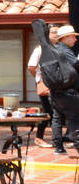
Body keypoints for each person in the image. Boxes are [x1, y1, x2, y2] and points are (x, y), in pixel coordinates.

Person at [31, 21, 79, 156]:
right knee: (75, 119)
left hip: (54, 92)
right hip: (68, 92)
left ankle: (58, 147)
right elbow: (76, 65)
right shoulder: (64, 50)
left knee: (56, 118)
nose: (75, 39)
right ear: (65, 38)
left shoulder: (53, 49)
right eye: (73, 36)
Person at [27, 25, 57, 143]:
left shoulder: (59, 48)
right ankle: (39, 137)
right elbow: (31, 66)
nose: (57, 34)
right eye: (54, 32)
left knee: (56, 112)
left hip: (56, 84)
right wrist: (38, 78)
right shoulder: (39, 49)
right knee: (48, 111)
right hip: (44, 84)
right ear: (47, 35)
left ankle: (56, 138)